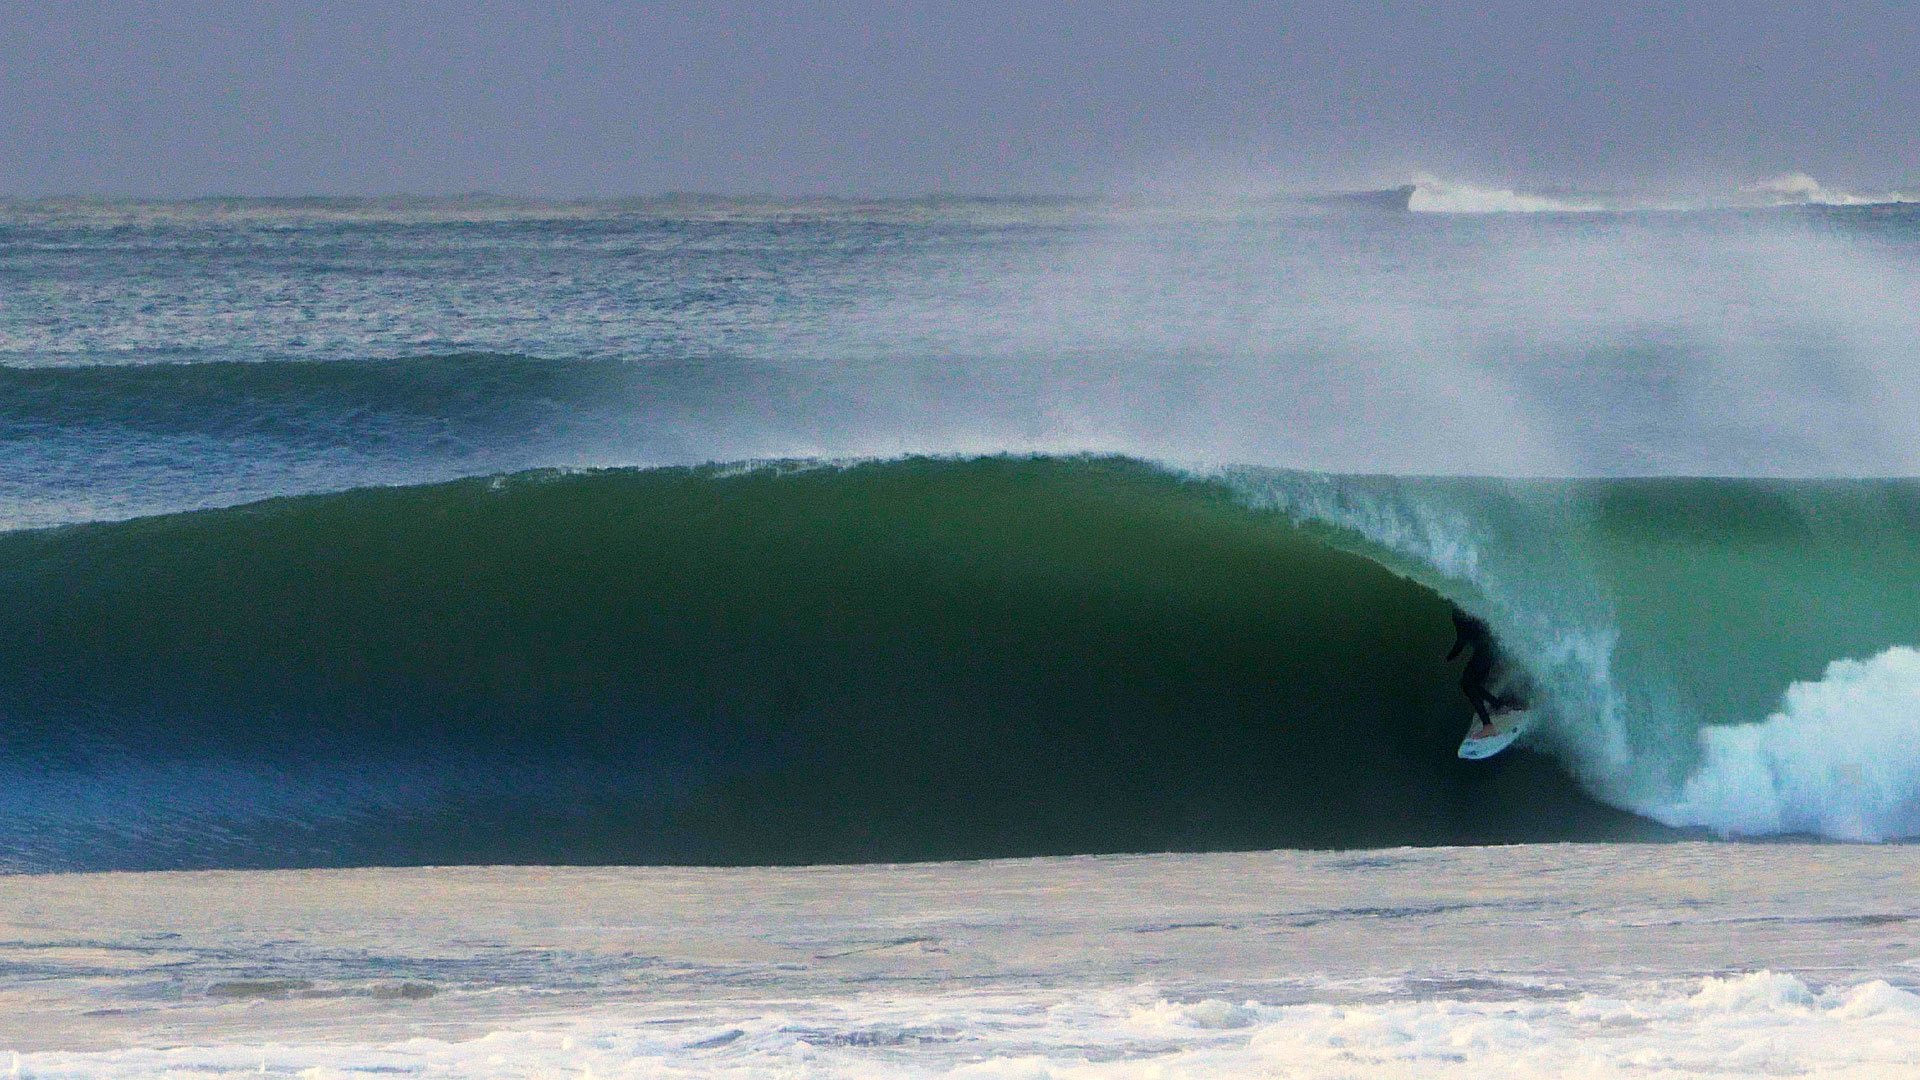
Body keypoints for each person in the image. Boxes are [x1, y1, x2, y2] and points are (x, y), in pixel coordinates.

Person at [1446, 605, 1523, 732]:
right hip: (1493, 648)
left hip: (1486, 650)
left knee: (1468, 684)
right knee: (1472, 683)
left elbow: (1461, 640)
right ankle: (1497, 704)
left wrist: (1449, 657)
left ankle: (1488, 726)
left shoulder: (1458, 613)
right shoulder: (1469, 608)